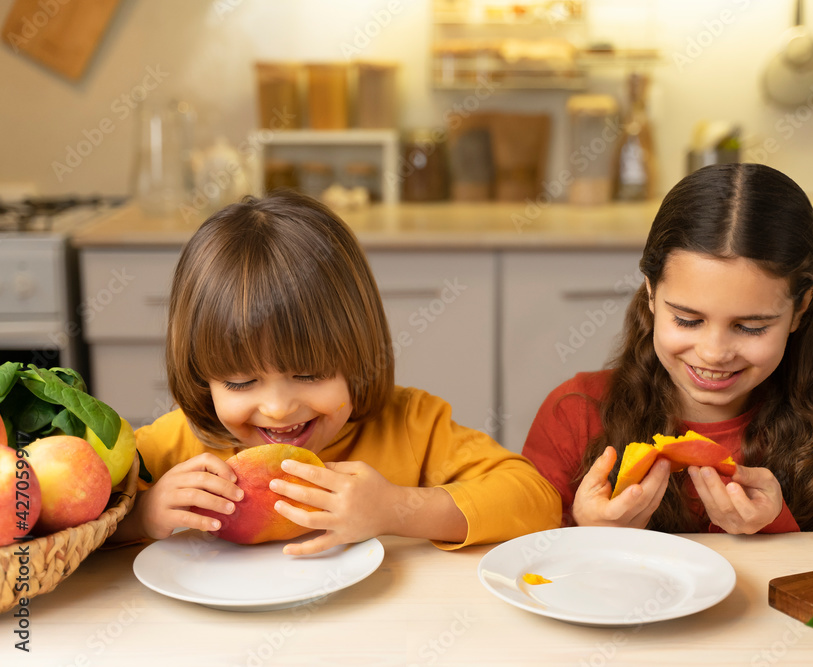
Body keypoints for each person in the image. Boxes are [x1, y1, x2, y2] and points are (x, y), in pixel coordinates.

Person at [113, 191, 561, 554]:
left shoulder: (409, 425)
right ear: (201, 377)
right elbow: (57, 523)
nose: (277, 407)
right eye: (240, 382)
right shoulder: (181, 444)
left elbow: (536, 500)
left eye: (309, 374)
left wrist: (397, 508)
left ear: (356, 355)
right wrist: (143, 514)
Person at [522, 163, 813, 534]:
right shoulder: (574, 413)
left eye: (750, 327)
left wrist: (774, 527)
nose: (714, 353)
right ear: (651, 291)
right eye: (688, 320)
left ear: (801, 308)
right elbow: (524, 556)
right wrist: (585, 530)